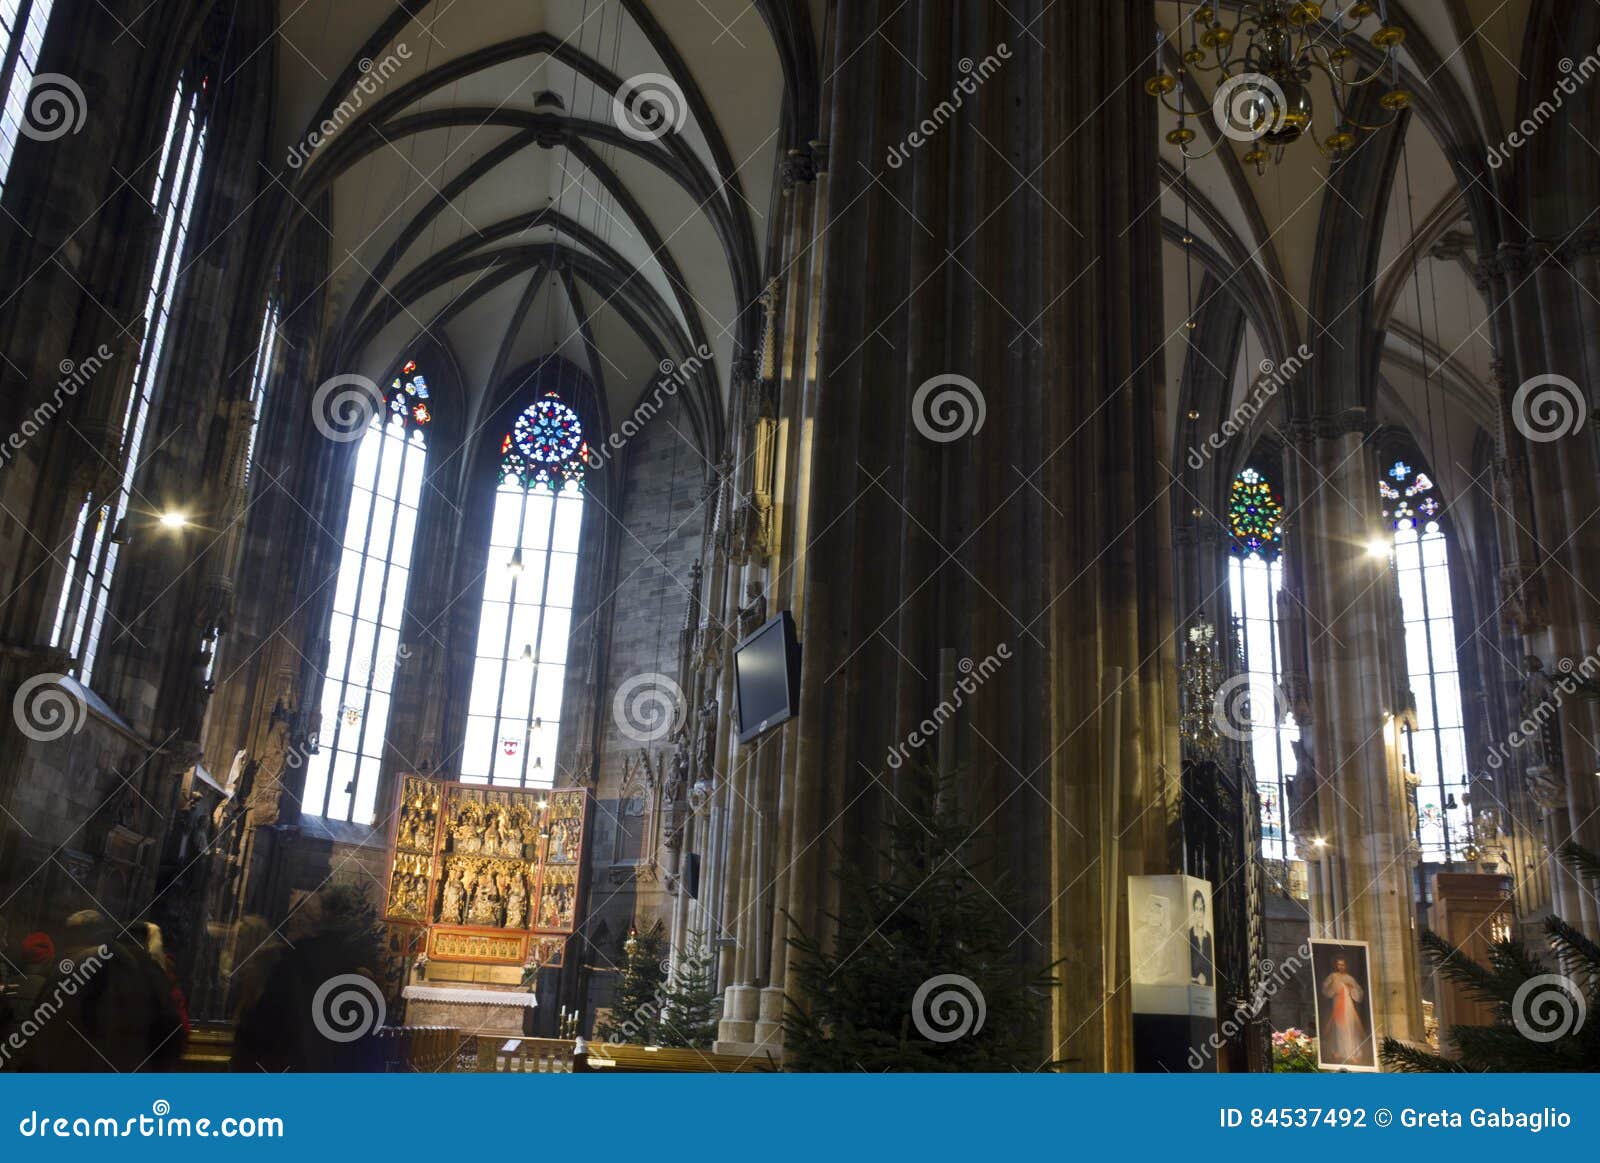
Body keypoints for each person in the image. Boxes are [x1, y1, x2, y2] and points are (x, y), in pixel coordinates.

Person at [1320, 955, 1368, 1065]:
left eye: (1342, 964)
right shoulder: (1333, 976)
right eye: (1338, 964)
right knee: (1338, 1028)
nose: (1340, 966)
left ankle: (1351, 1053)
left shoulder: (1349, 978)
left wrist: (1351, 988)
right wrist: (1333, 987)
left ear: (1346, 966)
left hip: (1348, 1006)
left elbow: (1358, 993)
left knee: (1349, 1028)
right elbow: (1325, 989)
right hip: (1337, 1005)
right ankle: (1340, 1052)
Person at [1187, 890, 1214, 988]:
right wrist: (1196, 978)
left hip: (1208, 991)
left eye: (1201, 909)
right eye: (1196, 909)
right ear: (1193, 911)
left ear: (1204, 911)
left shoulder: (1209, 937)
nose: (1199, 914)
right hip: (1193, 990)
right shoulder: (1188, 935)